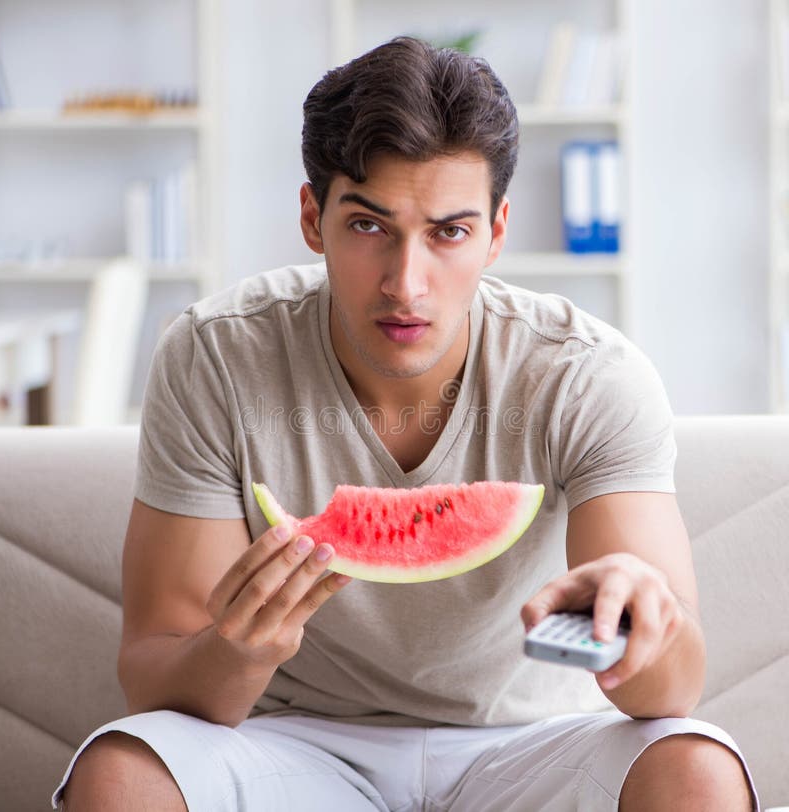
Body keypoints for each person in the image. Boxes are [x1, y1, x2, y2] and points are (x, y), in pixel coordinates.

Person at [54, 36, 758, 811]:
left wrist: (642, 626)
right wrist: (235, 653)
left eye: (448, 232)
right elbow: (151, 671)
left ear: (495, 233)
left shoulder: (585, 373)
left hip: (533, 743)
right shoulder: (217, 355)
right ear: (312, 216)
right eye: (368, 227)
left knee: (698, 769)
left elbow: (678, 685)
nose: (406, 283)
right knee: (120, 773)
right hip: (296, 742)